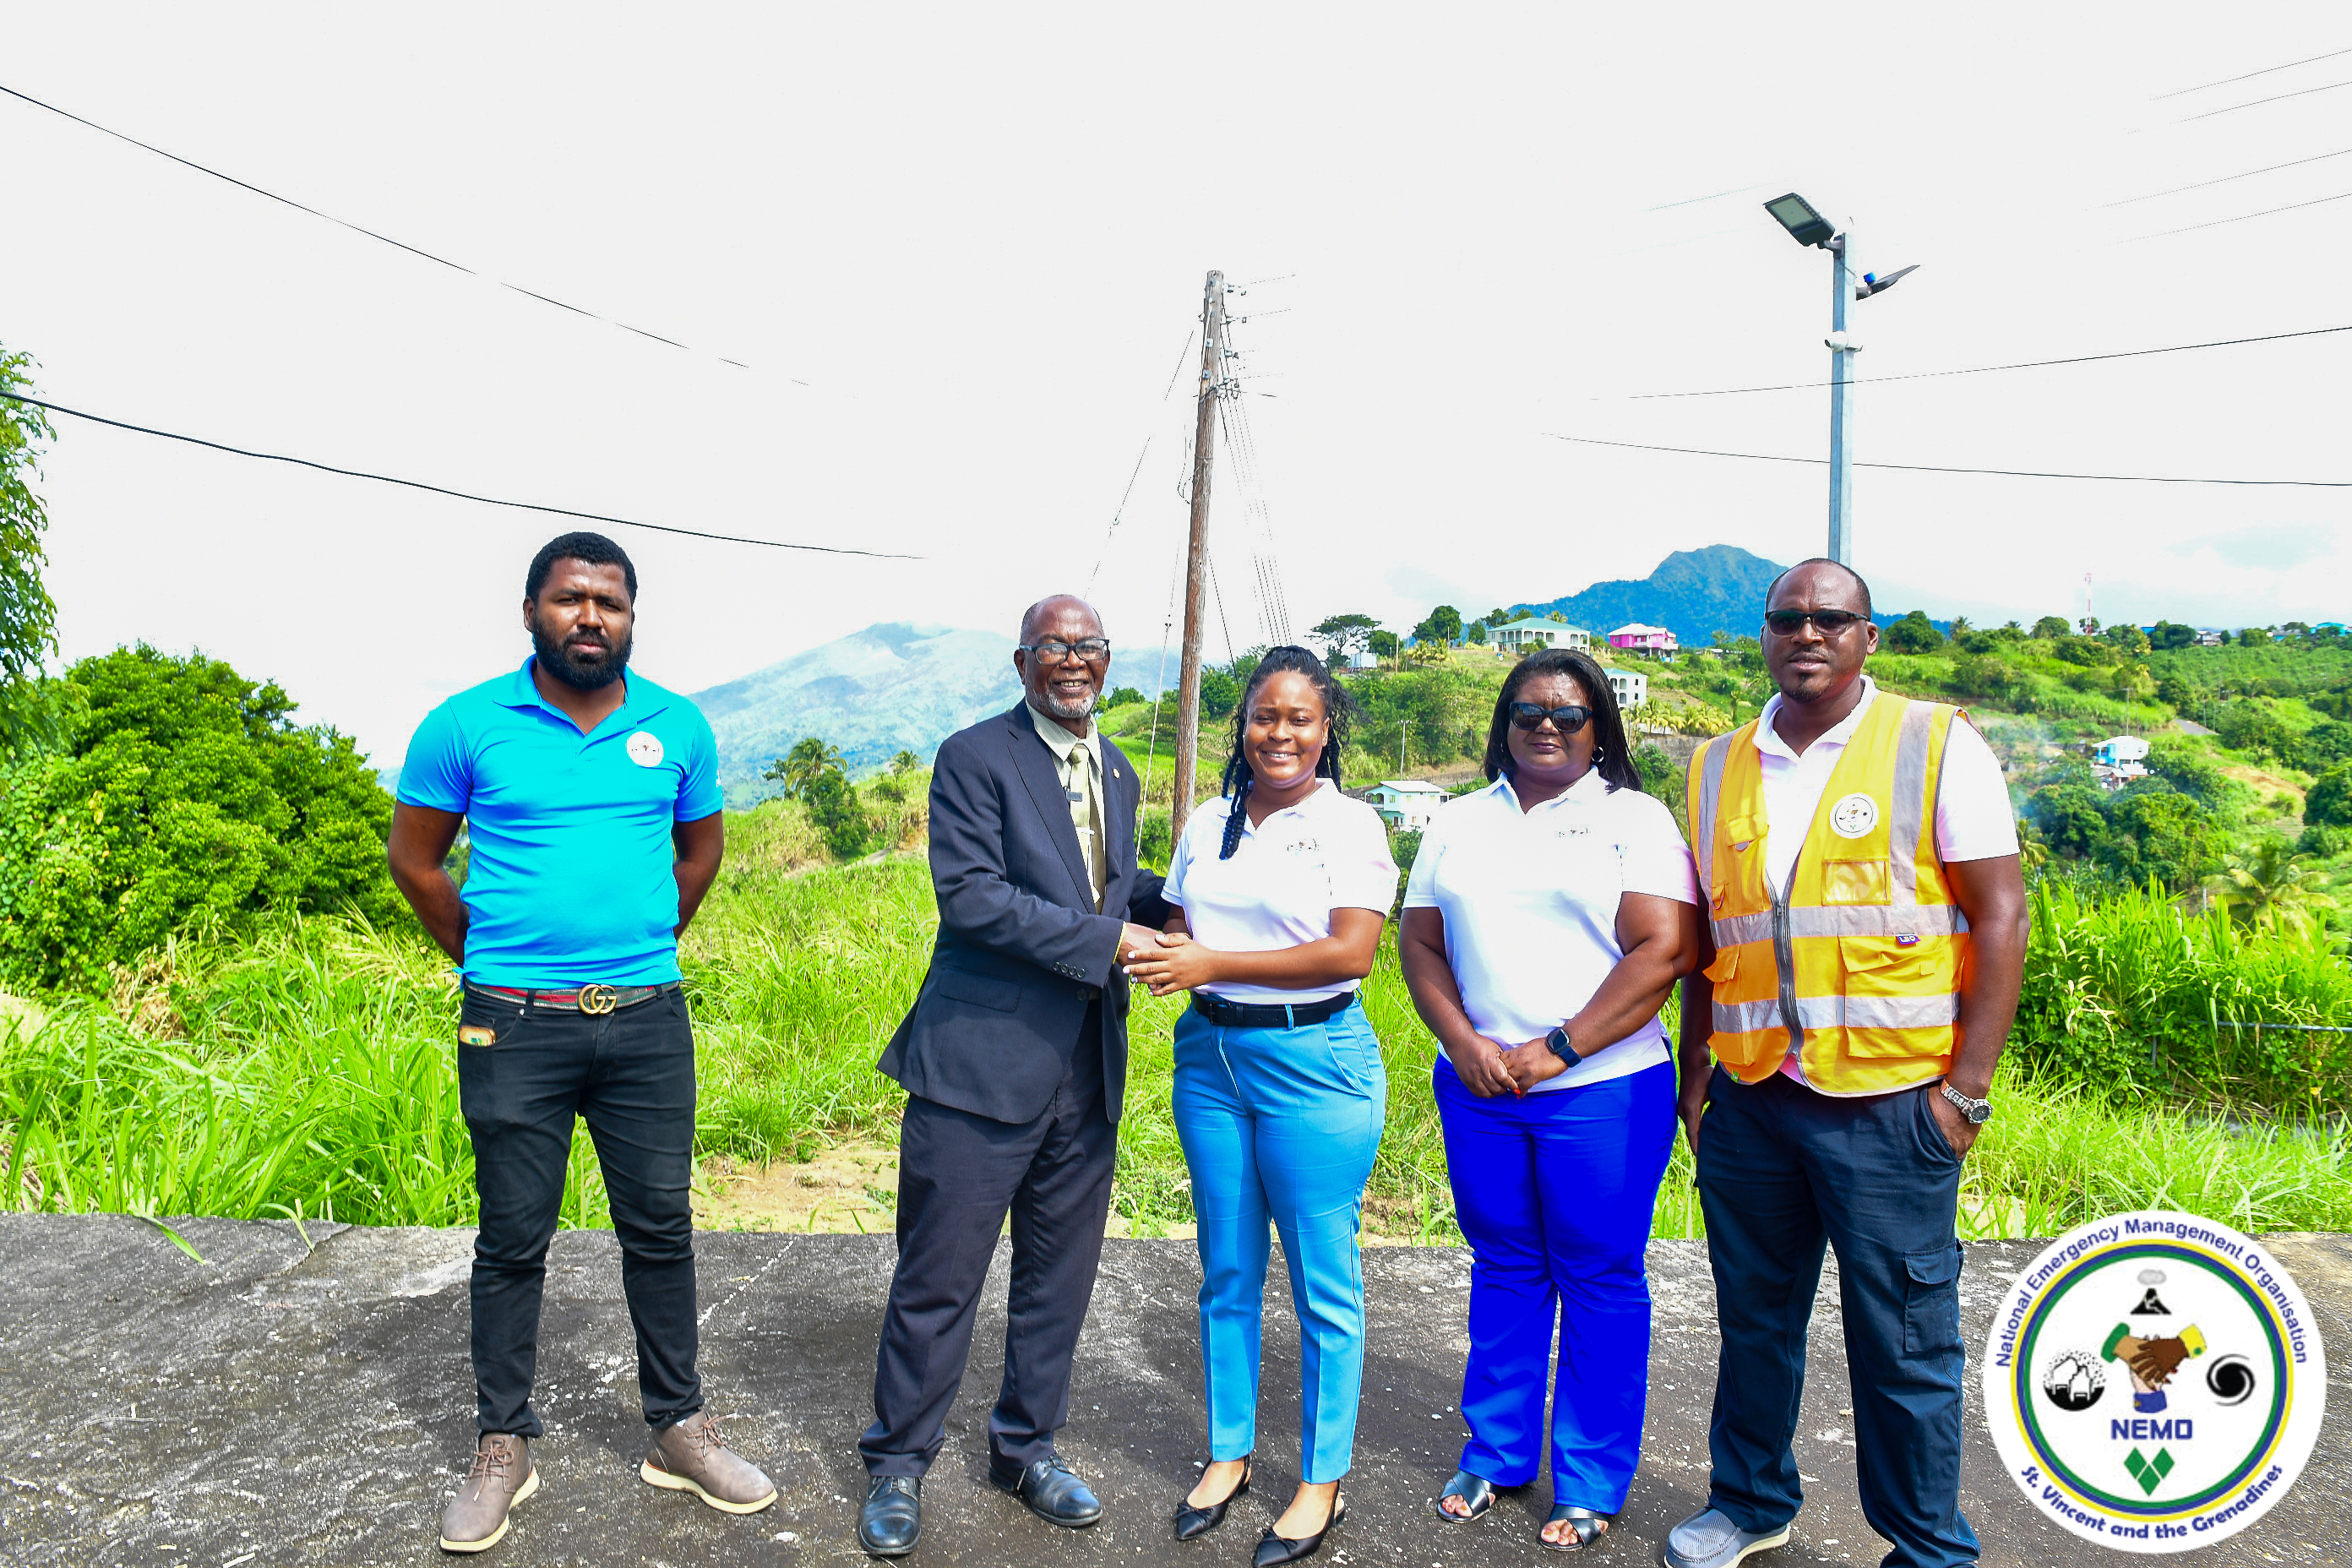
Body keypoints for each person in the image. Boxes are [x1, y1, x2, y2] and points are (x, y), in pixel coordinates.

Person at [387, 531, 775, 1556]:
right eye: (570, 598)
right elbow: (416, 861)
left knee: (662, 1226)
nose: (590, 616)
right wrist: (497, 960)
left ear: (632, 618)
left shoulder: (676, 725)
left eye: (610, 601)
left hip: (645, 1019)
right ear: (530, 611)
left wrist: (635, 951)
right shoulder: (466, 723)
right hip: (512, 1021)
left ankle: (679, 1427)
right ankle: (503, 1441)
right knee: (513, 1235)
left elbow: (700, 854)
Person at [1663, 560, 2028, 1568]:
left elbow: (2000, 918)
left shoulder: (1934, 743)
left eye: (1832, 618)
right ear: (1765, 635)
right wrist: (1698, 1076)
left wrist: (1965, 1092)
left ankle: (1925, 1546)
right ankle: (1748, 1503)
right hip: (1752, 1099)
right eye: (1787, 618)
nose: (1807, 633)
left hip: (1892, 1102)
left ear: (1870, 635)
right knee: (1753, 1321)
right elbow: (1710, 938)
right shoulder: (1714, 766)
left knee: (1904, 1342)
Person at [857, 595, 1173, 1557]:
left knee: (1058, 1278)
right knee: (939, 1276)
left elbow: (1107, 887)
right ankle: (898, 1461)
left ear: (1108, 660)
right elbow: (975, 899)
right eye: (1052, 646)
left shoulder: (1115, 768)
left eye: (1086, 646)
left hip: (1088, 1066)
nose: (1070, 660)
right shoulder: (974, 756)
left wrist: (1198, 907)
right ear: (1021, 660)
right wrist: (1116, 937)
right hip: (978, 1069)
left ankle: (1025, 1447)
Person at [1397, 648, 1700, 1551]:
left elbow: (1661, 952)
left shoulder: (1632, 820)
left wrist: (1555, 1048)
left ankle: (1592, 1477)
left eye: (1569, 713)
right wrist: (1465, 1042)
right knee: (1505, 1264)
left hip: (1601, 1088)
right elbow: (1420, 944)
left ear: (1599, 726)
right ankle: (1495, 1452)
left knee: (1600, 1275)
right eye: (1528, 710)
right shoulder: (1457, 820)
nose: (1546, 725)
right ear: (1503, 721)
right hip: (1483, 1085)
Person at [1123, 646, 1396, 1568]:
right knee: (1226, 1269)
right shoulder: (1209, 815)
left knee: (1324, 1281)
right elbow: (1180, 915)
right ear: (1242, 723)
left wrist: (1211, 961)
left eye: (1301, 719)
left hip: (1312, 1059)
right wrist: (1172, 950)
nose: (1280, 733)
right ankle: (1229, 1452)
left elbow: (1349, 953)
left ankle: (1321, 1480)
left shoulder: (1351, 824)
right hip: (1208, 1055)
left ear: (1326, 729)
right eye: (1264, 717)